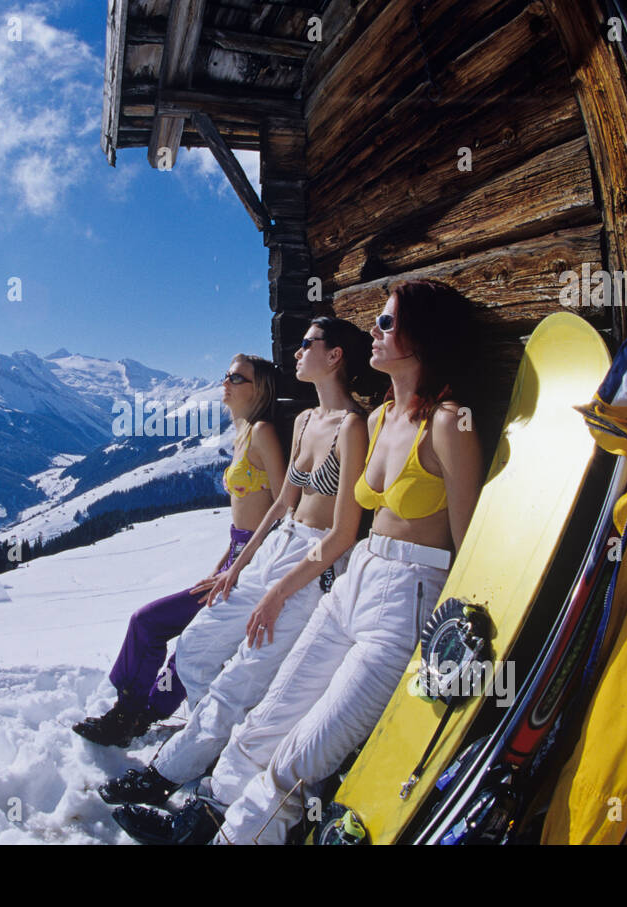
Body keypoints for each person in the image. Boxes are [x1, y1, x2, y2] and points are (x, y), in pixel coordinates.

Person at [114, 280, 487, 845]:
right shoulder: (384, 418)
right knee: (269, 716)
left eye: (387, 323)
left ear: (423, 336)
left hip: (407, 594)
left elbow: (469, 543)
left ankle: (232, 837)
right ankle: (205, 812)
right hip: (357, 579)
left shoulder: (448, 423)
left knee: (304, 751)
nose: (374, 333)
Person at [99, 316, 376, 808]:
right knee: (196, 647)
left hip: (314, 566)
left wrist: (279, 591)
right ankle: (209, 748)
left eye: (308, 344)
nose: (297, 351)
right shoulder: (307, 420)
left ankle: (169, 772)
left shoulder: (352, 427)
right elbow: (280, 503)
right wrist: (237, 566)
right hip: (276, 546)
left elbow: (343, 532)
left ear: (334, 357)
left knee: (244, 673)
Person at [72, 354, 284, 746]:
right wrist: (222, 563)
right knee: (177, 632)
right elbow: (243, 518)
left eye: (237, 378)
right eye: (226, 375)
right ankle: (136, 715)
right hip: (238, 556)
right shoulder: (244, 434)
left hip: (256, 562)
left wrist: (238, 567)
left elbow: (282, 504)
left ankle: (132, 714)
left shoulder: (263, 432)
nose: (226, 382)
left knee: (149, 622)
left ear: (260, 389)